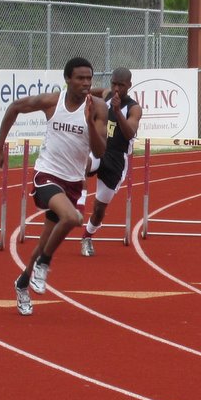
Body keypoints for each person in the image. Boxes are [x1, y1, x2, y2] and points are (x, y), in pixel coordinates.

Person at [0, 57, 107, 316]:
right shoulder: (53, 102)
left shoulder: (97, 107)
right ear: (67, 79)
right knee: (72, 218)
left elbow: (100, 150)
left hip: (75, 182)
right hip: (47, 174)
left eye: (89, 78)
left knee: (46, 239)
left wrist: (89, 121)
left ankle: (23, 283)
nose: (85, 83)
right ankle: (45, 263)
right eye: (80, 78)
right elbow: (15, 107)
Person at [78, 67, 141, 257]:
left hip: (117, 158)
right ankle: (79, 201)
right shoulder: (106, 95)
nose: (115, 89)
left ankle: (87, 236)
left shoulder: (134, 108)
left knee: (99, 209)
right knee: (84, 163)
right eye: (113, 83)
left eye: (120, 85)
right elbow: (95, 92)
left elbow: (130, 132)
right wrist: (86, 96)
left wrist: (116, 111)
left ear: (129, 86)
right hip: (100, 149)